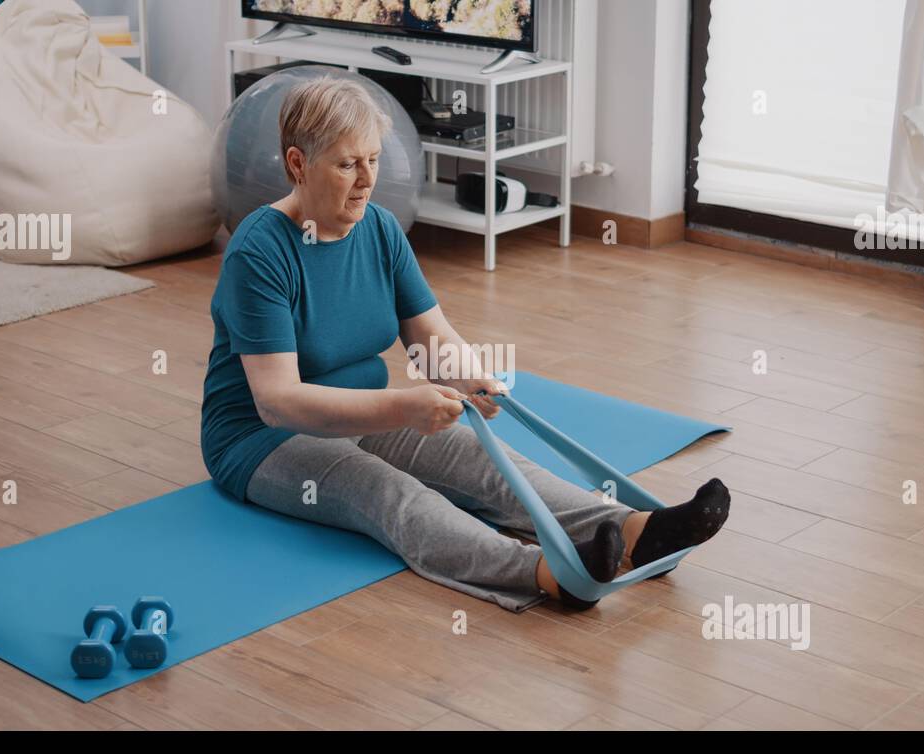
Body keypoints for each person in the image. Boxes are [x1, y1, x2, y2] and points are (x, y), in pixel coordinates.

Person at [201, 76, 730, 613]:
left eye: (374, 161)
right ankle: (547, 574)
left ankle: (636, 532)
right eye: (346, 165)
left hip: (362, 416)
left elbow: (431, 338)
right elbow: (277, 401)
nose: (366, 181)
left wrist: (471, 377)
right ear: (297, 163)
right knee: (388, 492)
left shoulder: (380, 229)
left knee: (481, 459)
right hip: (262, 441)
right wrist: (404, 405)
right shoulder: (259, 252)